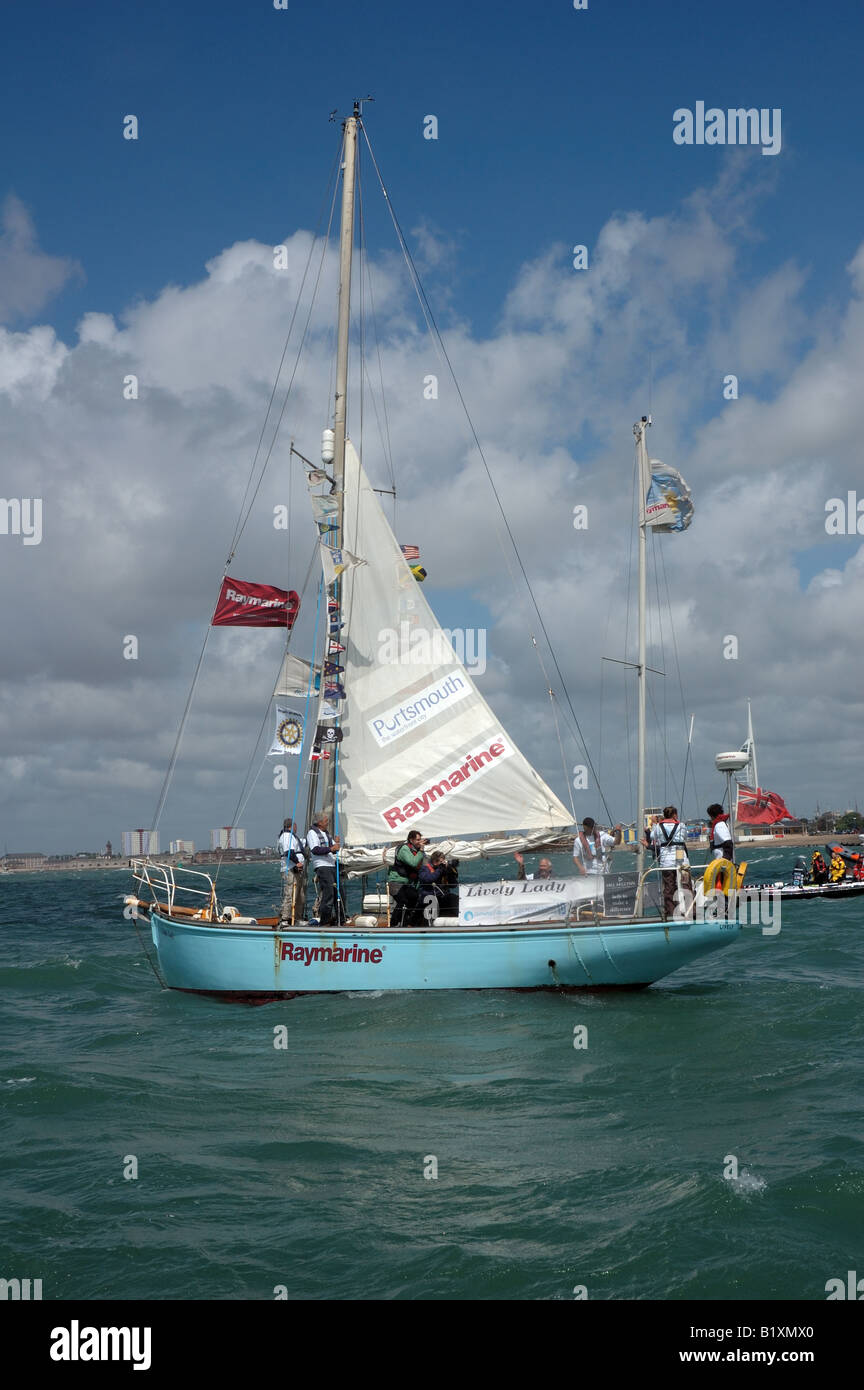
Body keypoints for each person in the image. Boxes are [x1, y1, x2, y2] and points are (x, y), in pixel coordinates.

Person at [650, 805, 690, 920]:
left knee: (669, 888)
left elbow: (653, 836)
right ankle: (690, 911)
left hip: (666, 860)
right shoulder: (681, 825)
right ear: (674, 815)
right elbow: (685, 837)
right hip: (681, 858)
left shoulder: (658, 827)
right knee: (686, 885)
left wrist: (654, 824)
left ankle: (671, 914)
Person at [305, 811, 343, 925]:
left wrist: (336, 844)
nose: (328, 823)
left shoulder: (326, 834)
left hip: (331, 865)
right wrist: (331, 849)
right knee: (329, 894)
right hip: (322, 866)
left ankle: (340, 918)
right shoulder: (312, 833)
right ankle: (325, 921)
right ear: (320, 822)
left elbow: (334, 848)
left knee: (339, 893)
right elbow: (315, 849)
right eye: (326, 821)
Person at [387, 830, 426, 924]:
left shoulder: (414, 850)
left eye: (420, 840)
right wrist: (421, 850)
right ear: (411, 840)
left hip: (405, 883)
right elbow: (413, 862)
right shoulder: (404, 849)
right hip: (396, 882)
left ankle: (405, 921)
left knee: (415, 897)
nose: (420, 842)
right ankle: (393, 924)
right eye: (418, 840)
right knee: (403, 901)